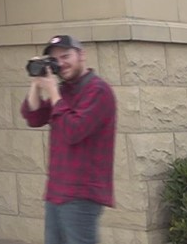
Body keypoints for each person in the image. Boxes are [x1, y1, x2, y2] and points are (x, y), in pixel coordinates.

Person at [21, 35, 116, 244]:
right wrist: (37, 84)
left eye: (66, 56)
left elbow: (74, 130)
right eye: (56, 60)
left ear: (81, 55)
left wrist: (53, 91)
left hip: (81, 193)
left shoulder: (98, 90)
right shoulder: (65, 91)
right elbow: (33, 116)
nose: (61, 63)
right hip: (56, 192)